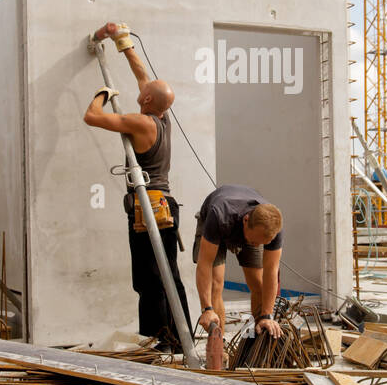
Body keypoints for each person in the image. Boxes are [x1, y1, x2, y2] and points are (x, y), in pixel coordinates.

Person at [83, 26, 192, 350]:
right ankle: (179, 337)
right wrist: (123, 42)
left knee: (149, 279)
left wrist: (103, 93)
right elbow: (142, 75)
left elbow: (92, 116)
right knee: (168, 274)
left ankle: (158, 340)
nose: (140, 89)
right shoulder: (161, 115)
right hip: (163, 204)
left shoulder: (141, 122)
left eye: (143, 92)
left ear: (146, 100)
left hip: (149, 207)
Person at [192, 184, 284, 342]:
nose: (257, 245)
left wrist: (267, 315)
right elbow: (204, 264)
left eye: (262, 243)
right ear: (246, 220)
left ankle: (260, 334)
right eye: (255, 241)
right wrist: (206, 308)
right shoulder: (219, 215)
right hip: (217, 226)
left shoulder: (273, 228)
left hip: (248, 228)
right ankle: (218, 345)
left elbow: (271, 271)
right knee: (216, 284)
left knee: (258, 283)